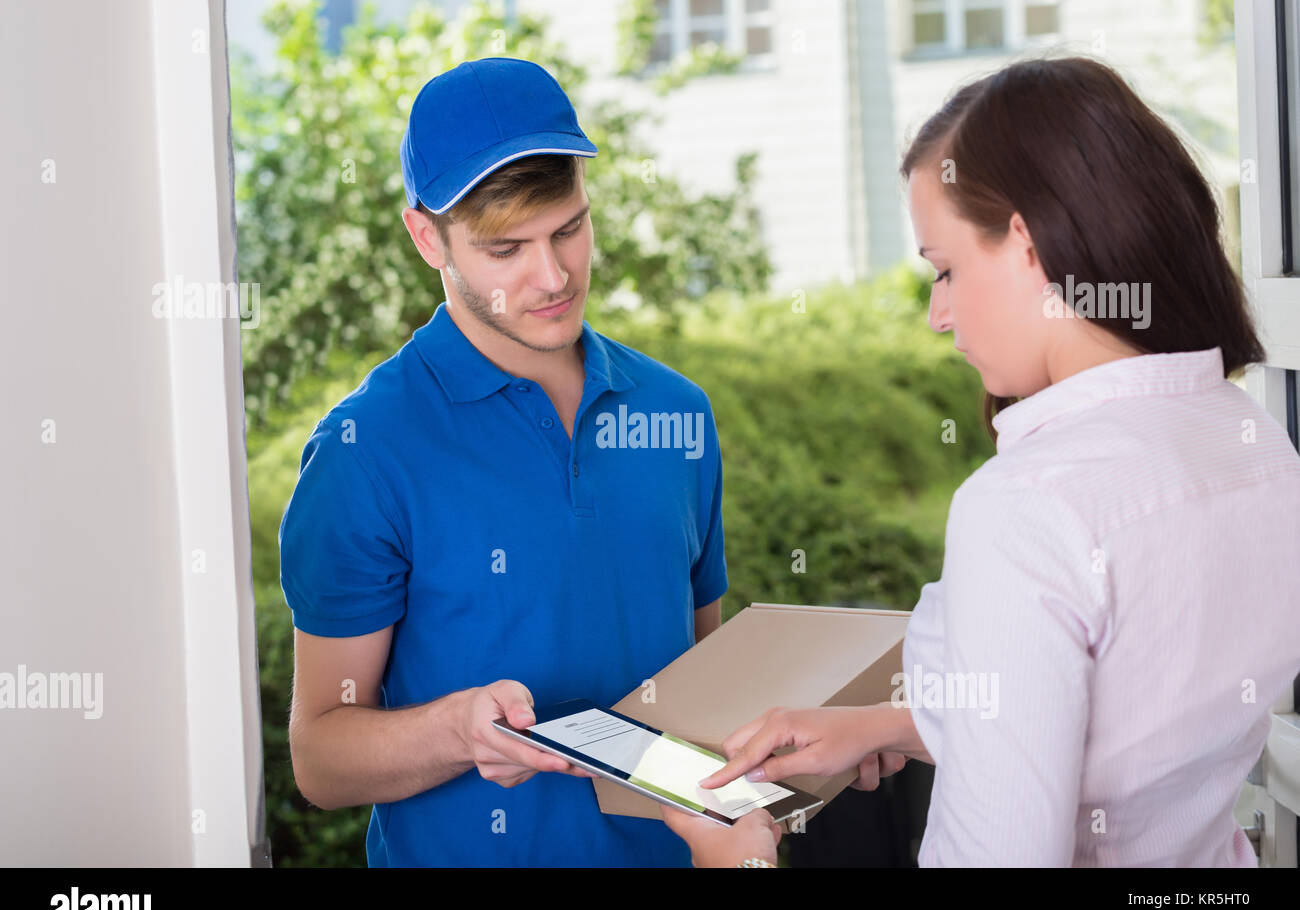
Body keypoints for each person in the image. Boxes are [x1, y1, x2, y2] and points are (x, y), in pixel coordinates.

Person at [662, 55, 1300, 867]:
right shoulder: (1252, 443)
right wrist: (891, 723)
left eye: (946, 269)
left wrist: (743, 861)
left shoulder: (1030, 505)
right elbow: (1128, 727)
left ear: (1027, 245)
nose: (937, 313)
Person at [279, 57, 728, 866]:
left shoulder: (677, 414)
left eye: (569, 229)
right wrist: (452, 732)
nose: (552, 277)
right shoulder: (364, 452)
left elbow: (704, 682)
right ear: (428, 238)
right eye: (505, 249)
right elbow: (319, 757)